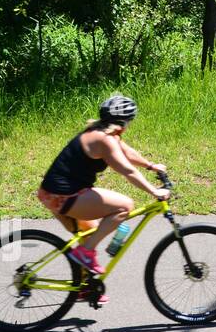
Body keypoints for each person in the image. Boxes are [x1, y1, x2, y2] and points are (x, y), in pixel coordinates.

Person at [36, 94, 169, 303]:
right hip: (63, 196)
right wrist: (155, 191)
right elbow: (128, 171)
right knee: (125, 206)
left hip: (52, 193)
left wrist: (151, 166)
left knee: (90, 233)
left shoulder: (101, 132)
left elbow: (127, 152)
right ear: (124, 123)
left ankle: (83, 288)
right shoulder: (104, 140)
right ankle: (84, 253)